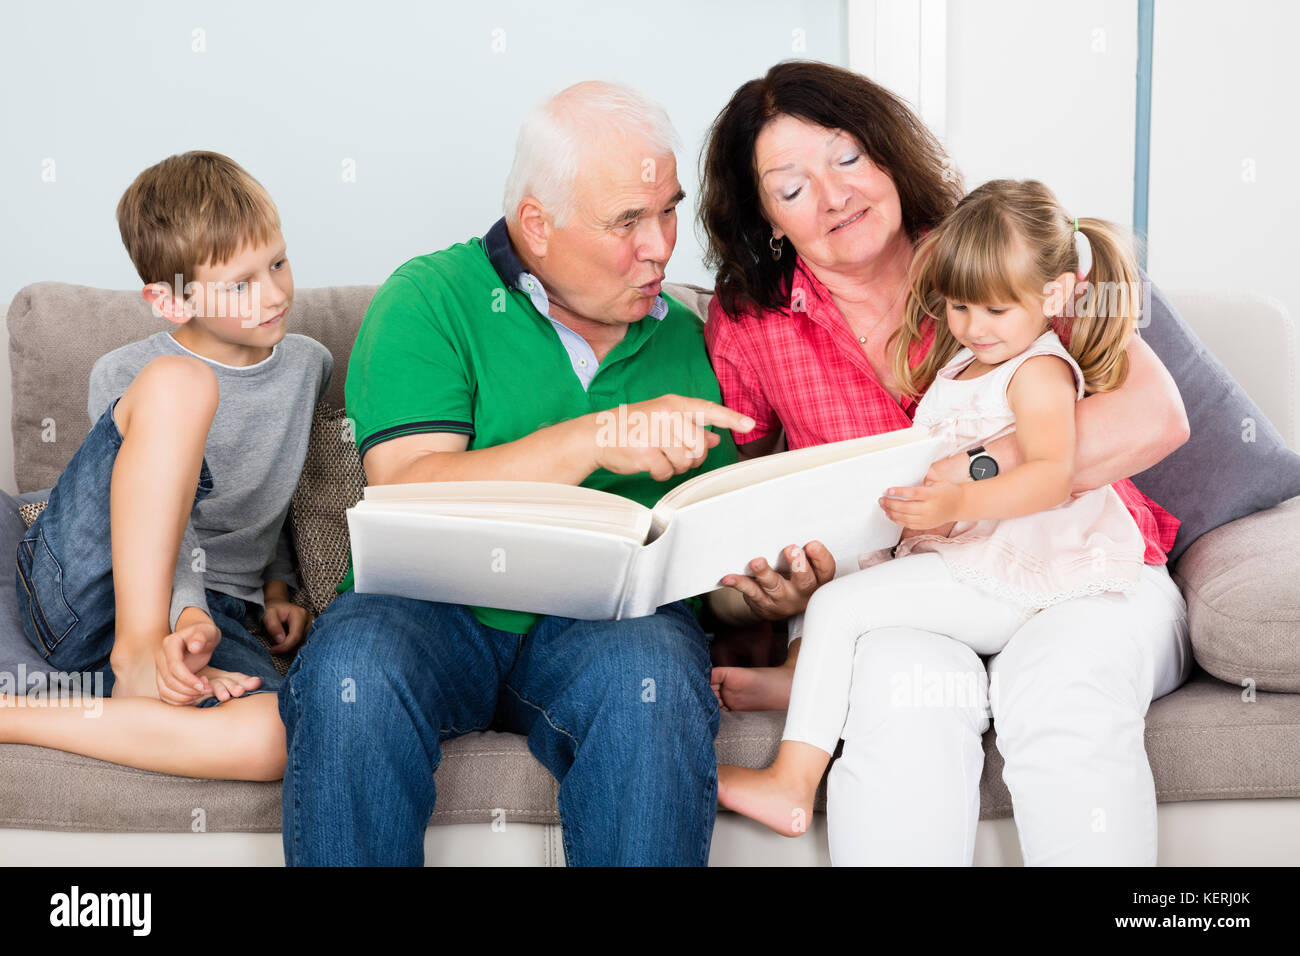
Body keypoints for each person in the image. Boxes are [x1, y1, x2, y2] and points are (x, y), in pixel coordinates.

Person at [700, 61, 1191, 864]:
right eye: (791, 188)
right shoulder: (748, 321)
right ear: (767, 218)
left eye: (848, 156)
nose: (833, 196)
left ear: (889, 155)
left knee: (1061, 691)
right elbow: (746, 497)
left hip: (1087, 566)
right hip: (926, 587)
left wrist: (976, 476)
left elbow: (1156, 414)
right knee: (900, 698)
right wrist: (769, 584)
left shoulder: (995, 245)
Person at [278, 81, 754, 866]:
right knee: (352, 668)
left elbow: (713, 557)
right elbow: (406, 484)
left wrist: (759, 586)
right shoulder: (430, 299)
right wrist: (600, 437)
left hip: (607, 626)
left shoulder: (688, 336)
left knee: (659, 677)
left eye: (667, 209)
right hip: (431, 614)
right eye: (627, 221)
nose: (661, 246)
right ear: (537, 224)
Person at [3, 151, 330, 781]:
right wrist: (177, 613)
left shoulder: (307, 367)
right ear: (171, 301)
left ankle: (17, 715)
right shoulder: (129, 373)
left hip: (218, 615)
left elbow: (291, 493)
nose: (275, 293)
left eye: (280, 263)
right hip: (89, 590)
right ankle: (135, 661)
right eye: (241, 283)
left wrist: (276, 587)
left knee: (283, 735)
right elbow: (151, 516)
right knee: (183, 384)